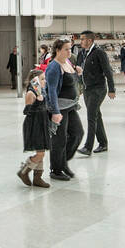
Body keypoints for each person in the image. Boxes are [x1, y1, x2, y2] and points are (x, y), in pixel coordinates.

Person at [77, 30, 116, 156]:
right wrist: (80, 87)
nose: (80, 41)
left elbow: (108, 71)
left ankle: (88, 147)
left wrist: (111, 89)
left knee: (91, 117)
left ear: (89, 40)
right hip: (87, 89)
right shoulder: (82, 53)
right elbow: (80, 70)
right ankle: (103, 143)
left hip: (98, 89)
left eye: (82, 39)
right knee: (96, 116)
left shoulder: (99, 52)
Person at [44, 39, 78, 181]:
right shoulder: (54, 67)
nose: (69, 52)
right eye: (66, 49)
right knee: (60, 139)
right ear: (58, 50)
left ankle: (62, 162)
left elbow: (69, 81)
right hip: (60, 107)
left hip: (70, 106)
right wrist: (55, 111)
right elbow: (51, 90)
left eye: (70, 49)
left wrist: (78, 72)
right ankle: (56, 169)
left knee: (77, 134)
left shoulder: (67, 62)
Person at [17, 69, 51, 188]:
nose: (44, 81)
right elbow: (27, 111)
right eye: (42, 79)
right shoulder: (31, 93)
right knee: (40, 153)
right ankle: (24, 171)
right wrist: (37, 102)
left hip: (42, 123)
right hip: (34, 125)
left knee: (41, 152)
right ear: (34, 81)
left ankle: (38, 178)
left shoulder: (41, 92)